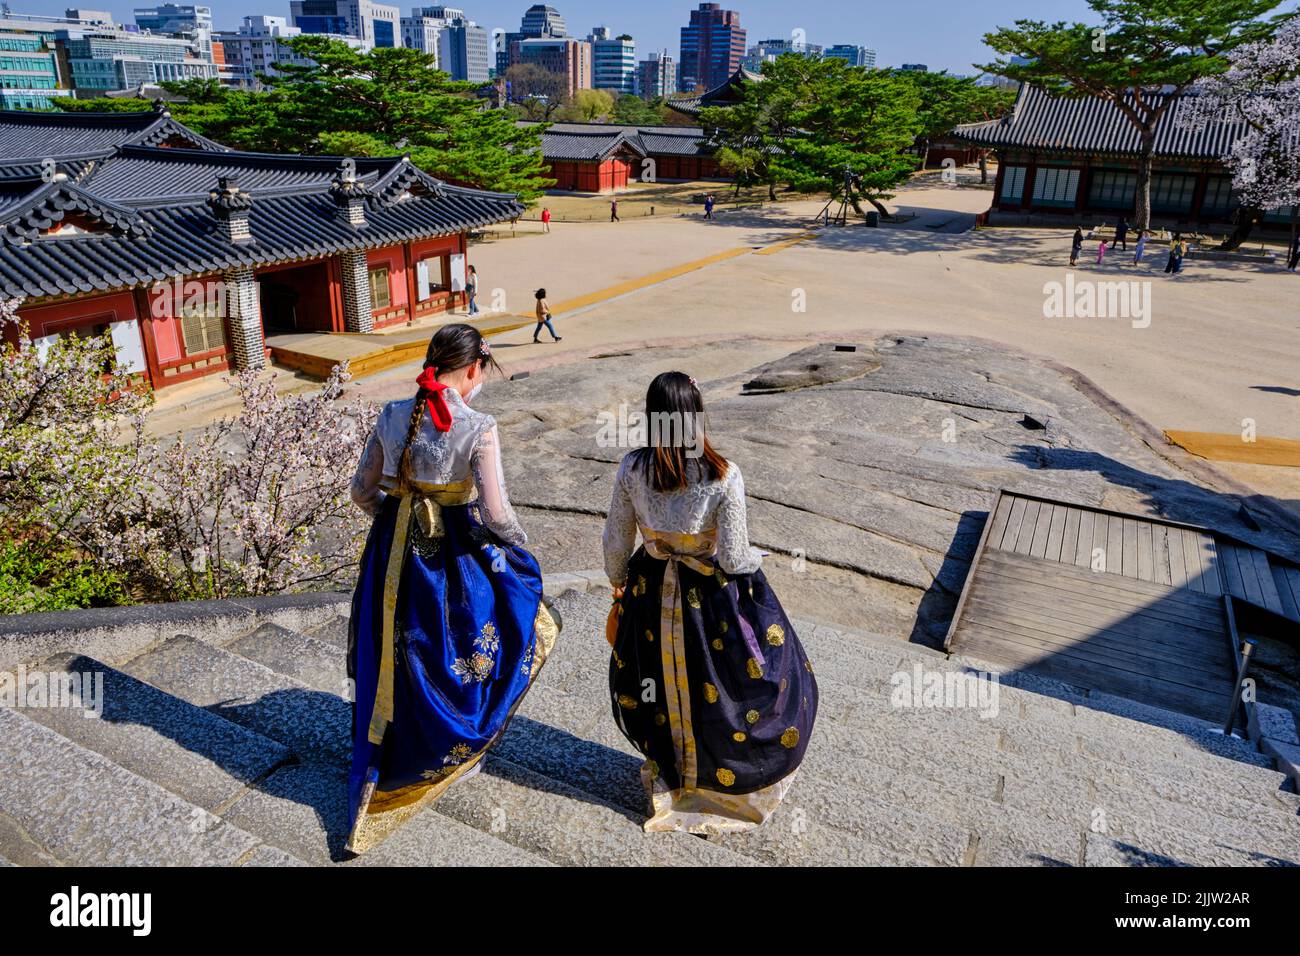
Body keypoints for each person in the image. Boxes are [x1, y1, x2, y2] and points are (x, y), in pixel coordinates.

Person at [345, 324, 559, 854]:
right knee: (454, 645)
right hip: (451, 557)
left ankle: (385, 744)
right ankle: (449, 741)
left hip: (391, 552)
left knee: (395, 648)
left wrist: (393, 520)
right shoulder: (479, 426)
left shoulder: (393, 414)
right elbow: (496, 512)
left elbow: (360, 490)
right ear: (471, 371)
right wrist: (518, 551)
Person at [602, 372, 819, 834]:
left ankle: (673, 773)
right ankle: (721, 778)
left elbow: (616, 540)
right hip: (710, 600)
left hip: (652, 592)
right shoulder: (723, 473)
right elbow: (736, 557)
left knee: (660, 685)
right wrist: (758, 558)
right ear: (696, 415)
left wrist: (620, 584)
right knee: (726, 688)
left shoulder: (633, 468)